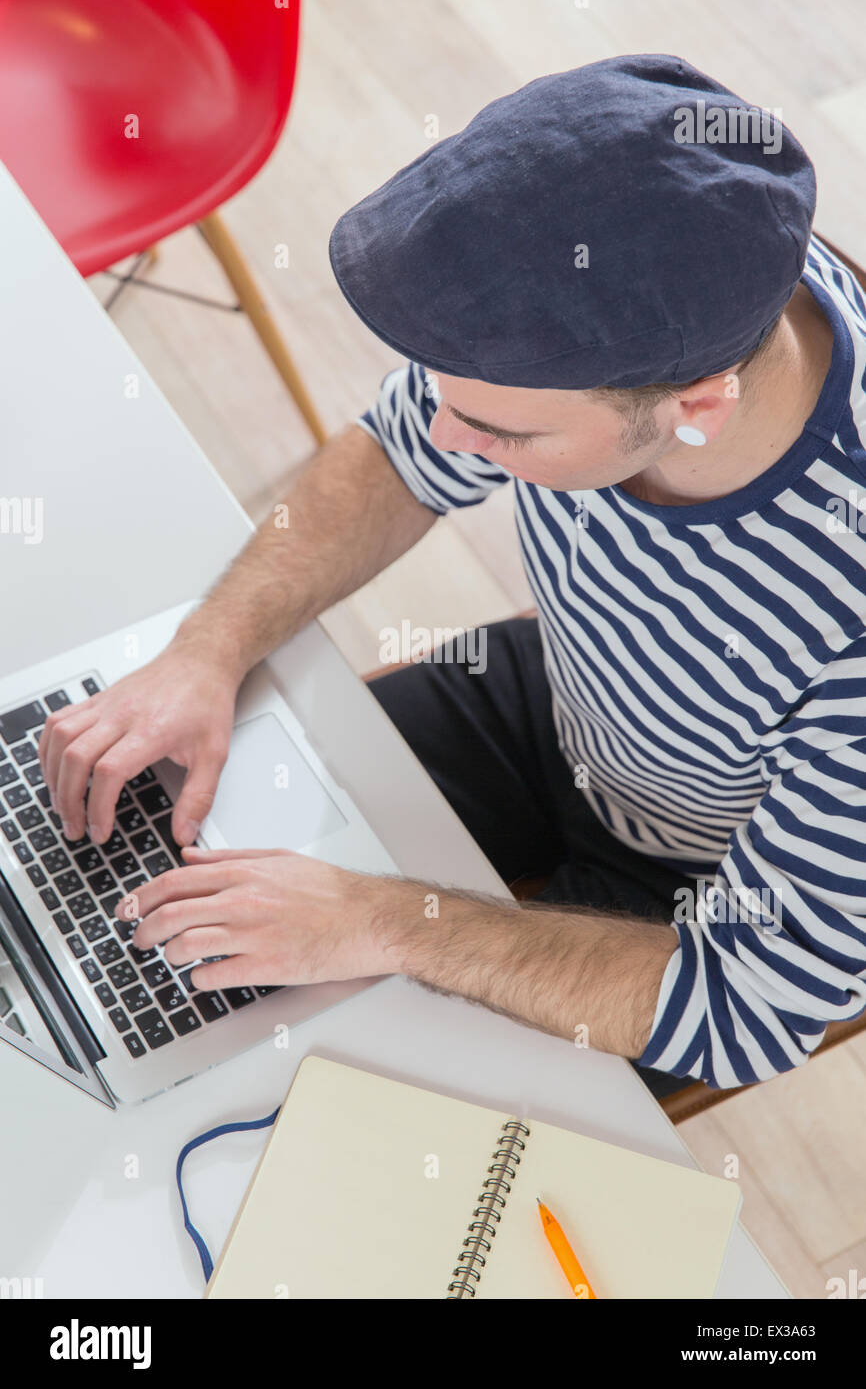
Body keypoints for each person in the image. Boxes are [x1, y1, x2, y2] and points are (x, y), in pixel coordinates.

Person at [38, 54, 866, 1097]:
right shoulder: (699, 282)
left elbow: (747, 1002)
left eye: (496, 429)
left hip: (692, 891)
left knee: (298, 1116)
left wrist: (385, 921)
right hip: (556, 698)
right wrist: (204, 653)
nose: (440, 433)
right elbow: (396, 452)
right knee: (130, 873)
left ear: (697, 406)